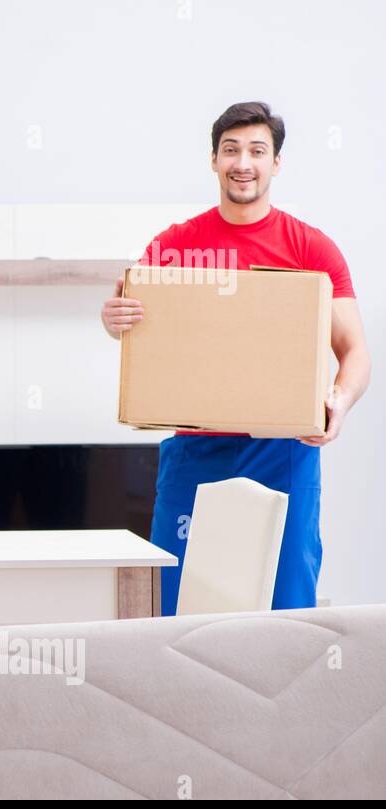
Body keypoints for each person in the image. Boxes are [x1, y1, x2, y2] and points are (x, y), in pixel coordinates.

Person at [101, 101, 371, 615]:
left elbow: (354, 350)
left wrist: (339, 401)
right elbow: (140, 325)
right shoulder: (176, 245)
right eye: (231, 150)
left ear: (276, 163)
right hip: (195, 447)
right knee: (175, 595)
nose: (242, 162)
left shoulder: (311, 249)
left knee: (288, 592)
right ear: (213, 160)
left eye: (256, 150)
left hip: (284, 445)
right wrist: (113, 319)